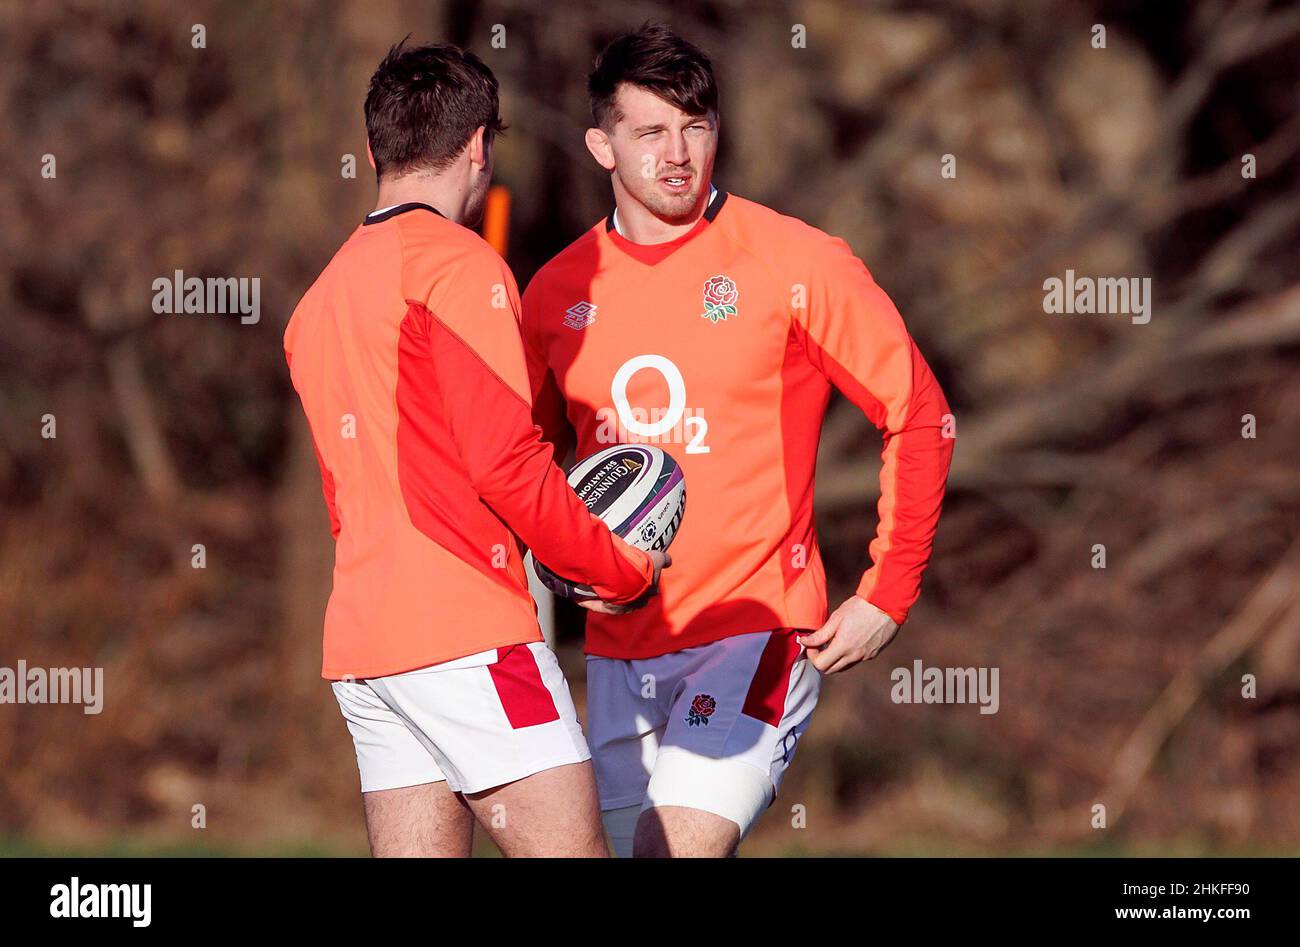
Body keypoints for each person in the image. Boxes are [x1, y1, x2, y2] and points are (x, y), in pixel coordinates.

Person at [520, 24, 953, 857]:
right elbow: (525, 472)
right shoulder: (556, 291)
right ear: (601, 146)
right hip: (617, 653)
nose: (678, 153)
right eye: (650, 132)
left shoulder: (796, 261)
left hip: (757, 630)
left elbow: (921, 410)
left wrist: (888, 592)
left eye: (697, 127)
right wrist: (555, 574)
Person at [284, 40, 668, 858]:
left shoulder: (314, 304)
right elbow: (508, 462)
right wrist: (613, 565)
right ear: (478, 147)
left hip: (364, 645)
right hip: (466, 636)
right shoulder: (462, 267)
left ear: (372, 152)